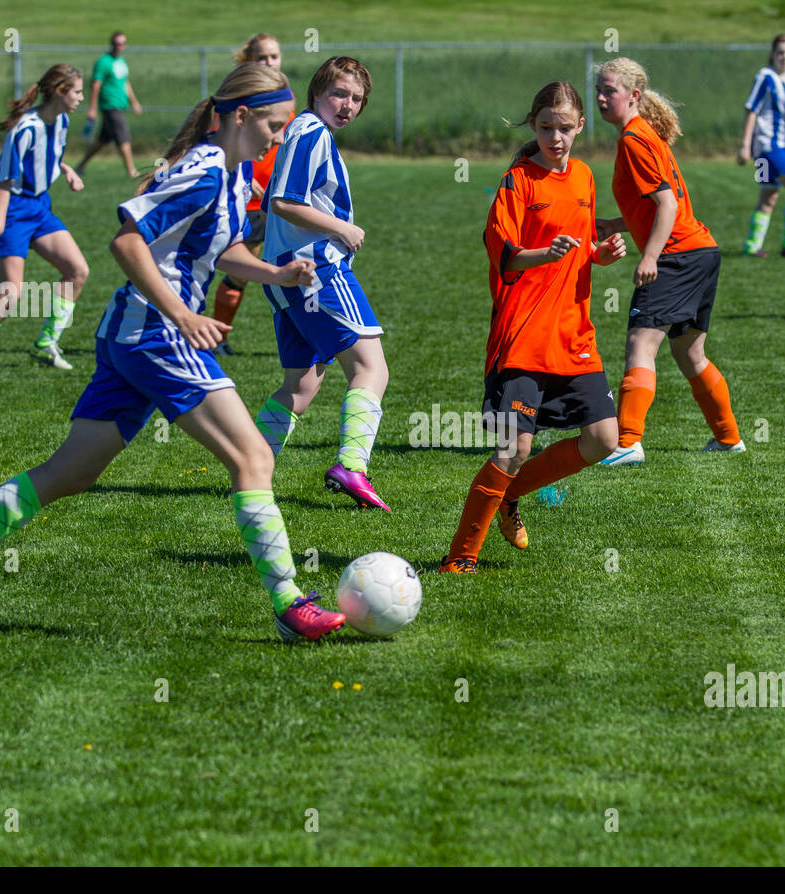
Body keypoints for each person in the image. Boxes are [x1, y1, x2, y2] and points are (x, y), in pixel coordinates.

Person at [0, 63, 346, 642]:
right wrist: (184, 314)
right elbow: (126, 241)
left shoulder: (235, 174)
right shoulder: (205, 171)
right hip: (156, 336)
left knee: (71, 470)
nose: (278, 136)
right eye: (273, 124)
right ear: (240, 116)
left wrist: (276, 273)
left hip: (129, 336)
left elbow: (217, 250)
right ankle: (291, 603)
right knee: (253, 459)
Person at [438, 81, 627, 573]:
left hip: (574, 333)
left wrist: (599, 255)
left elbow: (581, 247)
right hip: (522, 334)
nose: (556, 137)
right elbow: (502, 252)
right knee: (514, 446)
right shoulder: (517, 180)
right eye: (546, 127)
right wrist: (547, 253)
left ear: (580, 126)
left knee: (605, 439)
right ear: (533, 124)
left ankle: (507, 495)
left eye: (565, 128)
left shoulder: (584, 176)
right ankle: (461, 557)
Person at [254, 57, 392, 512]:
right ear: (316, 93)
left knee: (301, 386)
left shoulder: (305, 131)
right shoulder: (311, 130)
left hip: (284, 276)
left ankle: (251, 465)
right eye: (340, 93)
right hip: (316, 271)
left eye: (356, 98)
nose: (348, 104)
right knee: (371, 368)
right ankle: (353, 465)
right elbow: (287, 201)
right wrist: (342, 229)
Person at [593, 57, 744, 467]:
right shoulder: (642, 134)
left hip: (677, 255)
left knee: (641, 343)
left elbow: (666, 202)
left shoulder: (633, 139)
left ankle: (627, 442)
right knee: (690, 353)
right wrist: (617, 223)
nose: (602, 98)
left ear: (634, 95)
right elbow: (656, 204)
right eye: (599, 91)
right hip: (701, 251)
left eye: (610, 91)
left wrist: (651, 255)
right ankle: (729, 438)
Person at [0, 64, 88, 372]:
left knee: (77, 271)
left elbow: (50, 156)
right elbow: (4, 181)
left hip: (40, 207)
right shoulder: (25, 128)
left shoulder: (62, 120)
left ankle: (45, 345)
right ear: (60, 92)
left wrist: (66, 170)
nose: (82, 97)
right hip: (13, 209)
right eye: (78, 91)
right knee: (11, 293)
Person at [210, 33, 292, 357]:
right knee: (237, 270)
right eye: (262, 57)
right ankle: (216, 336)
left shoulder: (285, 99)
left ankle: (306, 341)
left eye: (274, 56)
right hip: (246, 200)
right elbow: (227, 140)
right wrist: (243, 178)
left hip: (278, 201)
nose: (269, 62)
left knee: (292, 265)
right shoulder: (239, 100)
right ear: (249, 61)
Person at [738, 34, 785, 259]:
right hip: (768, 146)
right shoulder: (765, 76)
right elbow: (751, 109)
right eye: (780, 52)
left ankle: (751, 246)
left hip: (782, 147)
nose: (784, 57)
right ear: (772, 54)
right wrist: (745, 144)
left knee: (768, 195)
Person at [77, 31, 143, 179]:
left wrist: (134, 102)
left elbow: (125, 83)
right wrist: (92, 108)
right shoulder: (103, 62)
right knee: (123, 136)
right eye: (117, 44)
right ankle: (131, 170)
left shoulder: (121, 61)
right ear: (112, 44)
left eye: (122, 44)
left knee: (103, 140)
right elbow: (95, 85)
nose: (120, 47)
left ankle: (80, 166)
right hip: (109, 105)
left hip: (120, 104)